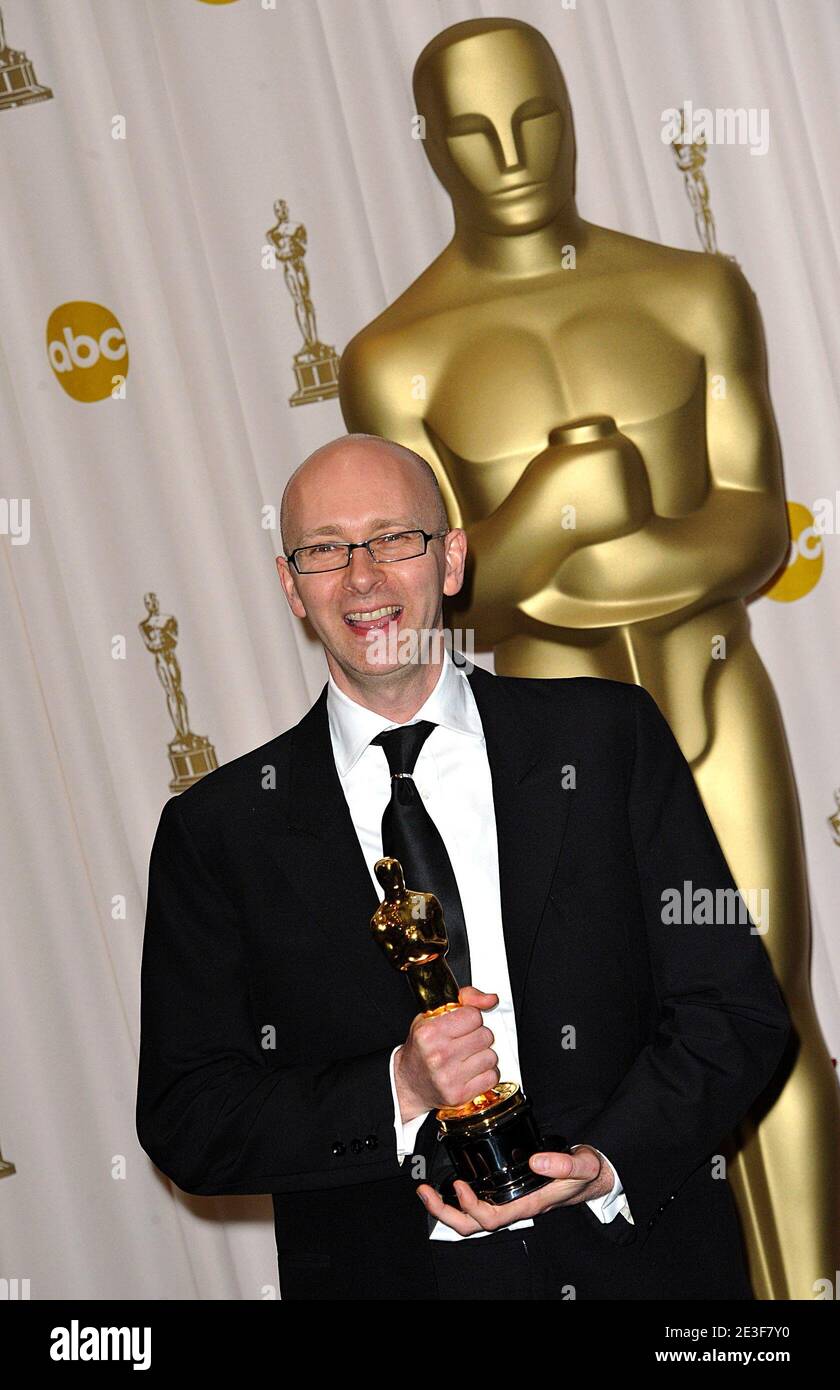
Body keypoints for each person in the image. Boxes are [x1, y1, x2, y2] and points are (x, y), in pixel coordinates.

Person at [136, 433, 791, 1300]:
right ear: (292, 587)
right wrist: (396, 1088)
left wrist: (606, 1163)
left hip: (645, 1268)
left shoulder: (605, 740)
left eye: (394, 538)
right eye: (325, 549)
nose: (362, 577)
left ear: (450, 560)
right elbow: (190, 1120)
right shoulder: (219, 831)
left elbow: (735, 1013)